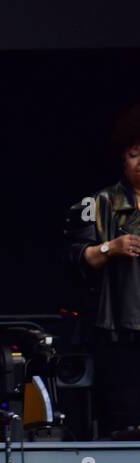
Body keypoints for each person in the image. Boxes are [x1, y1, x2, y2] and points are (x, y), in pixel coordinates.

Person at [64, 103, 140, 437]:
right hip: (120, 328)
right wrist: (112, 247)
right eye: (135, 154)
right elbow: (78, 258)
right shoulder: (97, 203)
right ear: (122, 160)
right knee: (123, 420)